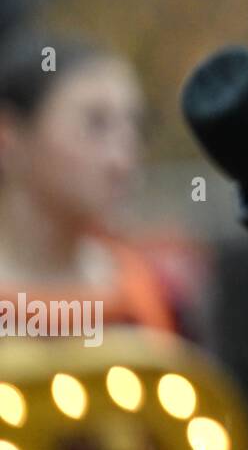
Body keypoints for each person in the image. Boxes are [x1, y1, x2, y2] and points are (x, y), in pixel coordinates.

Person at [0, 30, 174, 332]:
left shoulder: (142, 295)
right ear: (9, 139)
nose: (122, 161)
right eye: (95, 124)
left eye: (133, 127)